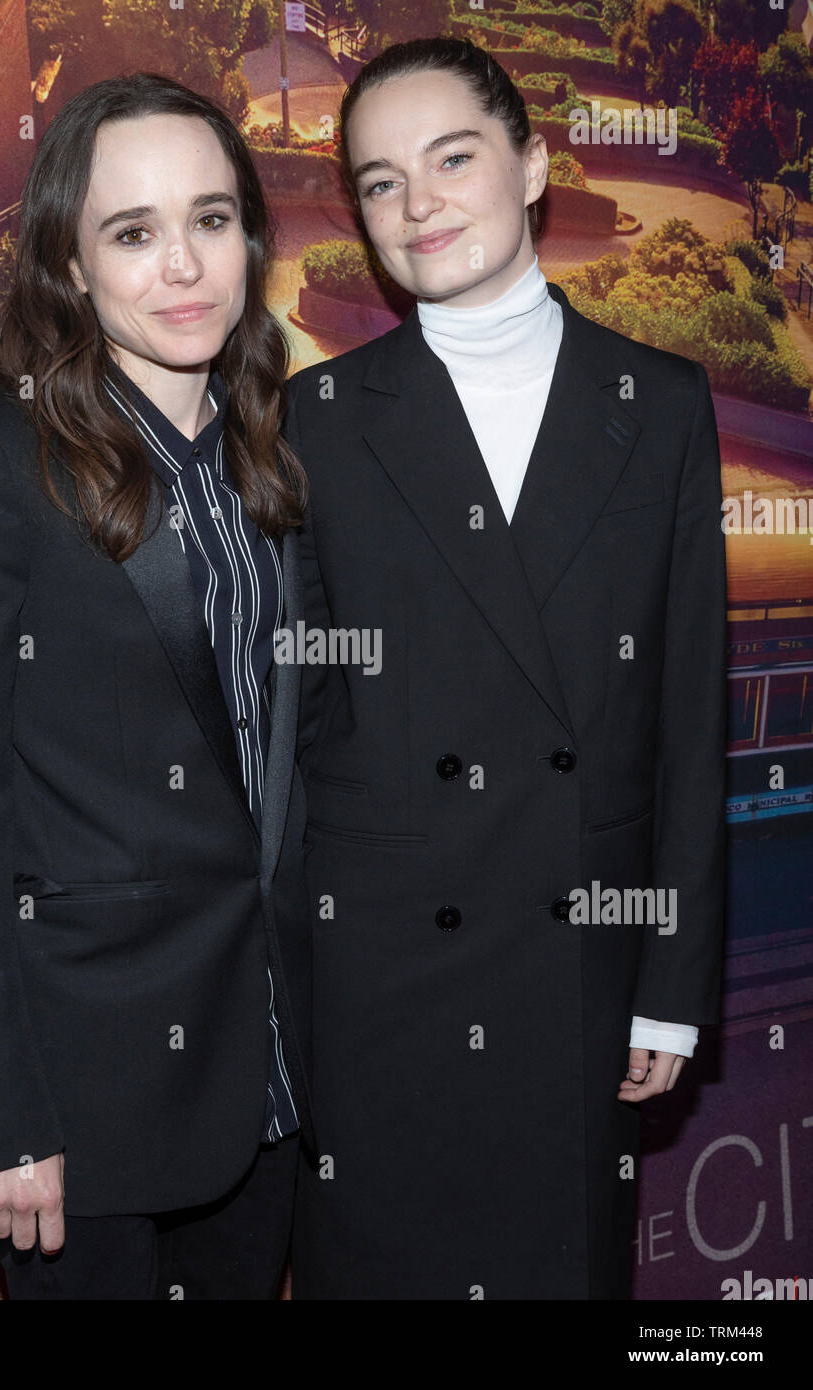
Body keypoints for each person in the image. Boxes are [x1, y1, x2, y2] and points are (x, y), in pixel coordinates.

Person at [285, 37, 726, 1299]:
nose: (415, 204)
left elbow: (687, 722)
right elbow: (295, 724)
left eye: (451, 158)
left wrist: (669, 981)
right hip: (377, 983)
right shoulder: (316, 418)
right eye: (377, 182)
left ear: (532, 165)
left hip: (572, 968)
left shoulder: (661, 403)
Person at [0, 72, 315, 1300]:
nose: (181, 264)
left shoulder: (276, 453)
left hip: (273, 1070)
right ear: (71, 267)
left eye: (212, 219)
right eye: (132, 232)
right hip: (82, 1096)